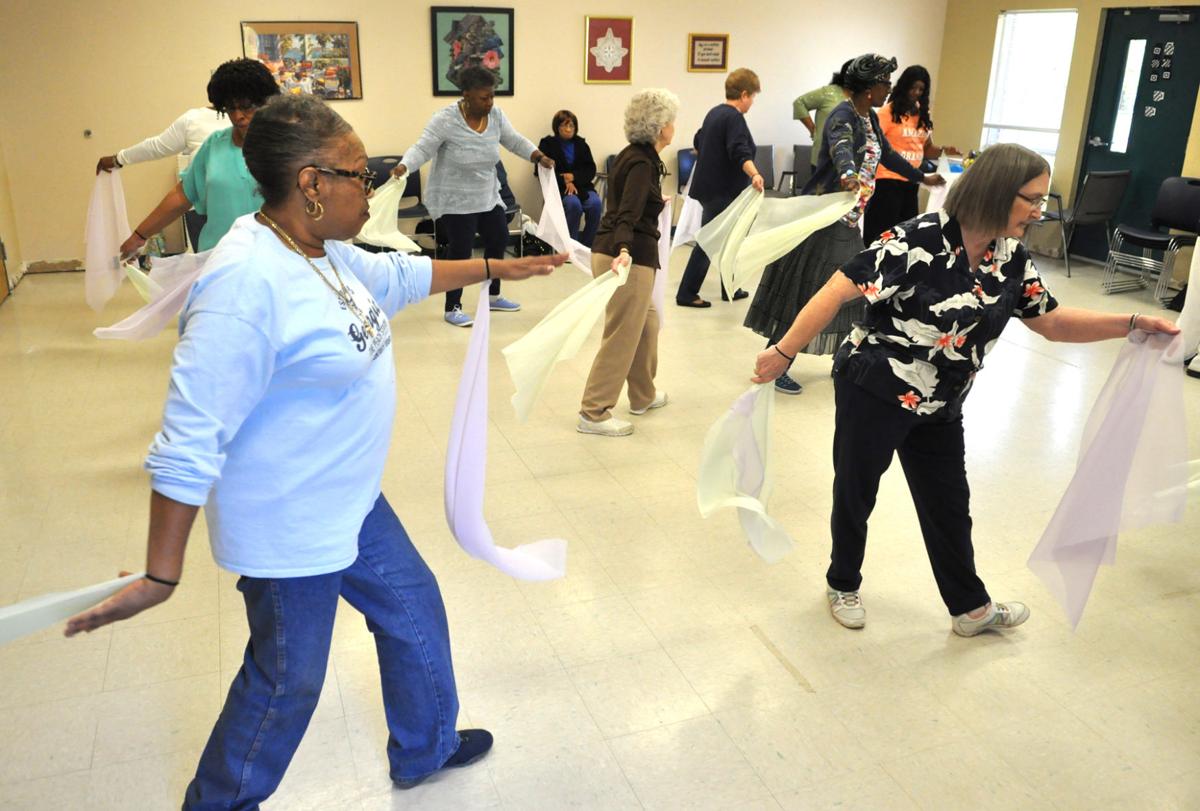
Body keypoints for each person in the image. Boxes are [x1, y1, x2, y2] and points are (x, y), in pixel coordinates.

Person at [65, 94, 567, 808]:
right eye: (359, 174)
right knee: (285, 683)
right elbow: (188, 439)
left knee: (413, 608)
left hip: (348, 498)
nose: (372, 187)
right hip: (290, 524)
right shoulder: (246, 282)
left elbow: (396, 278)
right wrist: (160, 572)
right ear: (310, 183)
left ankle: (425, 747)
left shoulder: (318, 247)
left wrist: (495, 266)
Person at [749, 143, 1179, 636]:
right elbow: (837, 288)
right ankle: (842, 581)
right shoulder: (916, 240)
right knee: (856, 490)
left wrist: (1131, 323)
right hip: (875, 389)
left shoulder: (1010, 257)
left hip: (942, 400)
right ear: (997, 192)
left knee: (949, 503)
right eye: (1032, 199)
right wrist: (783, 351)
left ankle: (970, 608)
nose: (1039, 211)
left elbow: (1053, 322)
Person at [744, 54, 943, 395]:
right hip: (825, 219)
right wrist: (848, 173)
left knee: (848, 292)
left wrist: (922, 177)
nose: (889, 89)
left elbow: (887, 155)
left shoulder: (870, 118)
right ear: (868, 88)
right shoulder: (842, 114)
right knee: (810, 290)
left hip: (847, 219)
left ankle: (842, 357)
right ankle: (777, 362)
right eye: (884, 83)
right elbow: (840, 147)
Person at [393, 66, 553, 326]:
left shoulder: (496, 116)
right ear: (466, 95)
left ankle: (492, 295)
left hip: (487, 194)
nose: (489, 103)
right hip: (454, 199)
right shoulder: (445, 119)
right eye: (483, 97)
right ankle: (452, 306)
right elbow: (423, 148)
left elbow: (514, 140)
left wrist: (538, 156)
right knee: (461, 250)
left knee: (498, 238)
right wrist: (404, 166)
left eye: (492, 96)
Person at [577, 89, 679, 437]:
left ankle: (642, 395)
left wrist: (657, 201)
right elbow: (627, 212)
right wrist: (623, 249)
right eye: (671, 121)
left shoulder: (636, 156)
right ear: (660, 127)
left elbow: (632, 200)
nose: (674, 127)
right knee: (622, 335)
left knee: (647, 324)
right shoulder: (641, 162)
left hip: (620, 252)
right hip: (625, 257)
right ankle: (593, 412)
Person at [118, 59, 280, 258]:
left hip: (276, 258)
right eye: (230, 108)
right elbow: (183, 195)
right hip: (219, 257)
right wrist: (139, 235)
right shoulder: (214, 146)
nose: (238, 116)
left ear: (266, 102)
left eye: (247, 107)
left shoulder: (288, 145)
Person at [674, 68, 765, 308]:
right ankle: (686, 293)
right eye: (753, 97)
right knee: (709, 242)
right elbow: (739, 150)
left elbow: (698, 140)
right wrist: (755, 174)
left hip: (710, 188)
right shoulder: (734, 118)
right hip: (722, 191)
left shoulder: (714, 113)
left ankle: (730, 287)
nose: (752, 102)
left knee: (729, 239)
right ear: (744, 94)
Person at [863, 65, 960, 244]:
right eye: (913, 87)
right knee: (881, 235)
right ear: (904, 86)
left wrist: (943, 151)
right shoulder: (887, 113)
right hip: (887, 181)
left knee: (905, 236)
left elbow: (926, 149)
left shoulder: (922, 114)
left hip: (911, 181)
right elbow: (876, 147)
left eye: (921, 89)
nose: (916, 92)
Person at [537, 109, 602, 247]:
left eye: (571, 125)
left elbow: (590, 169)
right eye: (564, 125)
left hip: (582, 187)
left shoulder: (582, 145)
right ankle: (569, 247)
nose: (568, 129)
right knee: (574, 205)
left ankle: (587, 246)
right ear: (557, 127)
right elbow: (541, 172)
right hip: (558, 189)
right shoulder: (547, 144)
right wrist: (564, 181)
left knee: (596, 204)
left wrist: (573, 178)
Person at [793, 60, 853, 174]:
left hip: (850, 160)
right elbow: (799, 103)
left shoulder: (862, 98)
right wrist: (813, 130)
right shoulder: (828, 92)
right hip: (824, 158)